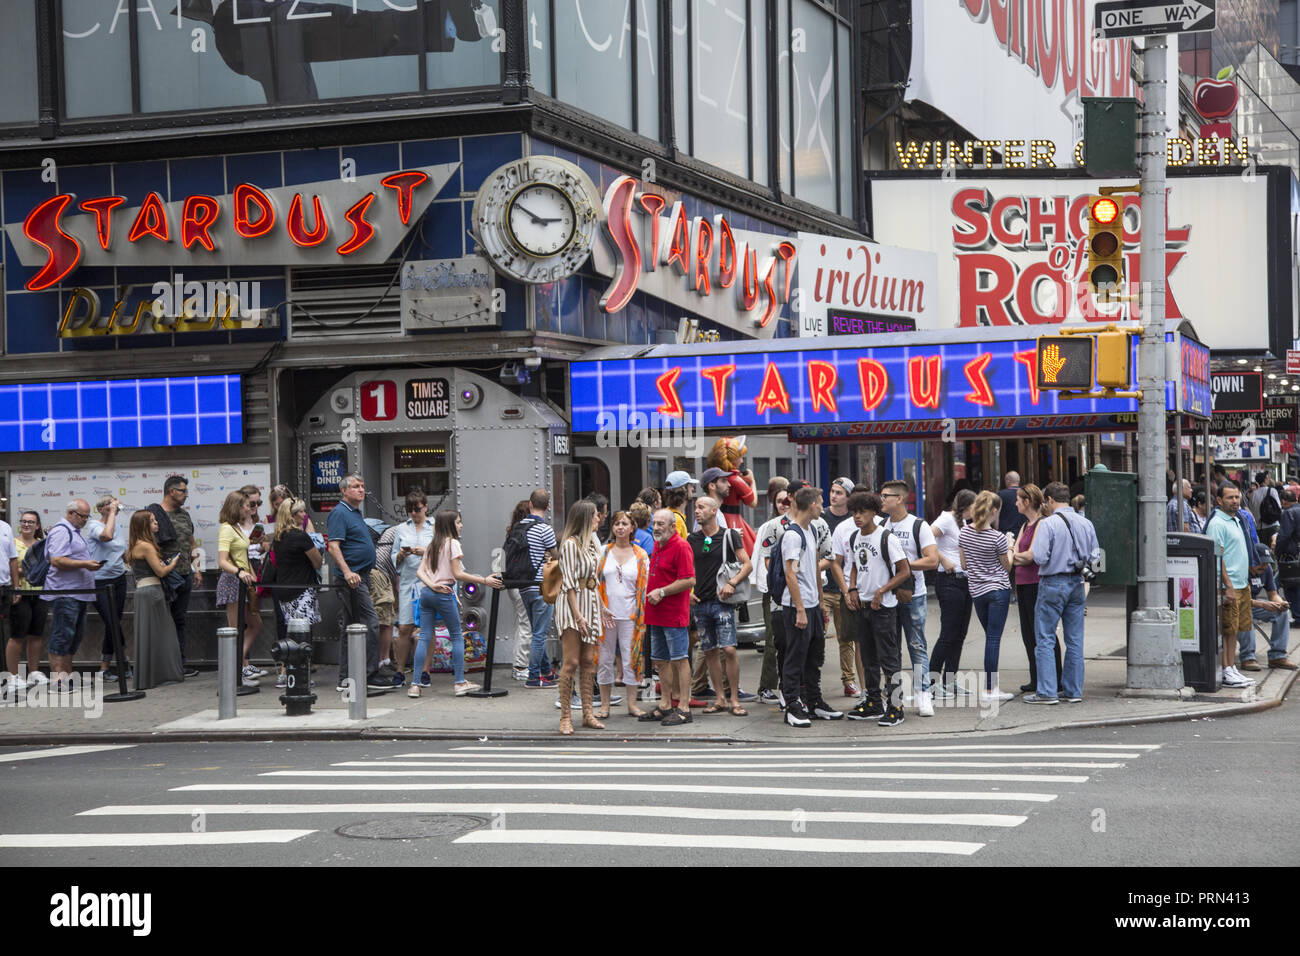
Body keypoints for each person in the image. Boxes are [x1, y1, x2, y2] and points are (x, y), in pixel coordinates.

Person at [408, 509, 502, 699]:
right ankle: (459, 682)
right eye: (458, 522)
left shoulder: (433, 544)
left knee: (424, 636)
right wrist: (484, 580)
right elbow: (457, 574)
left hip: (427, 593)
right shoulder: (453, 544)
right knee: (457, 636)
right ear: (450, 524)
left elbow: (420, 572)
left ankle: (415, 685)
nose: (461, 525)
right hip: (444, 593)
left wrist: (432, 585)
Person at [1025, 482, 1101, 703]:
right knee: (1075, 640)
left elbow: (1039, 557)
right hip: (1077, 583)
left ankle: (1047, 691)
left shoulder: (1048, 525)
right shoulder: (1086, 523)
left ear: (1049, 500)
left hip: (1052, 582)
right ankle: (1073, 691)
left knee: (1045, 638)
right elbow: (1097, 558)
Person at [840, 492, 910, 725]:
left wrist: (882, 591)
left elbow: (904, 571)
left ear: (874, 512)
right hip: (862, 605)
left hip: (884, 607)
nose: (857, 516)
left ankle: (896, 707)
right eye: (854, 512)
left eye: (862, 512)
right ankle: (873, 702)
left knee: (889, 659)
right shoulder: (854, 537)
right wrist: (851, 588)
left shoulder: (886, 538)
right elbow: (853, 566)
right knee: (869, 658)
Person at [779, 485, 842, 727]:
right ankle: (793, 706)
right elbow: (790, 574)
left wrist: (818, 602)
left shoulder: (811, 531)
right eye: (820, 501)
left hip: (813, 604)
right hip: (798, 606)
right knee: (795, 656)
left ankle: (814, 702)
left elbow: (814, 567)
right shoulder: (793, 535)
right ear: (812, 505)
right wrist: (801, 608)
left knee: (815, 656)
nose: (823, 506)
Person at [688, 496, 752, 718]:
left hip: (721, 601)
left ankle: (734, 697)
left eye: (701, 507)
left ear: (714, 511)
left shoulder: (728, 535)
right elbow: (686, 570)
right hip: (700, 602)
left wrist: (732, 583)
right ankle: (720, 698)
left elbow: (747, 564)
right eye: (695, 507)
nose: (697, 511)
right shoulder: (692, 539)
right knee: (709, 651)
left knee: (730, 649)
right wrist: (689, 592)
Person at [880, 479, 938, 716]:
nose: (881, 500)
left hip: (914, 594)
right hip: (888, 595)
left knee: (916, 643)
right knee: (890, 647)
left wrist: (904, 565)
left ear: (899, 499)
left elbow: (932, 559)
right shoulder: (881, 525)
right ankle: (894, 696)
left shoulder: (918, 525)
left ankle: (924, 693)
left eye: (885, 496)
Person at [326, 474, 389, 692]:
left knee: (350, 628)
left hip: (362, 575)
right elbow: (333, 546)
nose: (361, 490)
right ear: (344, 491)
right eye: (355, 487)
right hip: (352, 580)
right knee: (370, 622)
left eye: (362, 486)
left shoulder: (355, 513)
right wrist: (347, 572)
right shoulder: (339, 513)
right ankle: (370, 674)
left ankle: (345, 679)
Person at [639, 509, 696, 727]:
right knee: (660, 660)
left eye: (661, 524)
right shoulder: (657, 545)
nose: (656, 527)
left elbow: (690, 579)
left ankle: (683, 707)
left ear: (673, 526)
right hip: (656, 615)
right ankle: (665, 704)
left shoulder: (681, 546)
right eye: (654, 523)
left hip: (674, 615)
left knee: (679, 659)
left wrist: (662, 592)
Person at [554, 501, 605, 734]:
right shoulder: (570, 545)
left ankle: (587, 713)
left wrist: (602, 608)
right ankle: (565, 716)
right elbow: (569, 584)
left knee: (588, 660)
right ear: (585, 518)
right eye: (595, 515)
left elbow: (593, 581)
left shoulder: (592, 543)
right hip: (573, 605)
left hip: (590, 601)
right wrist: (578, 616)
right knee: (571, 661)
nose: (599, 518)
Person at [959, 491, 1014, 703]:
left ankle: (993, 687)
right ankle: (990, 689)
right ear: (994, 511)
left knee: (990, 638)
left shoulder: (964, 532)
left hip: (977, 592)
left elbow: (964, 564)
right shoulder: (998, 538)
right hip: (998, 590)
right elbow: (1007, 566)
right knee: (993, 639)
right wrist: (1010, 547)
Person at [43, 500, 101, 692]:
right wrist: (85, 564)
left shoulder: (74, 532)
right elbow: (57, 560)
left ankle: (67, 678)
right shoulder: (61, 530)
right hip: (65, 592)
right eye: (82, 516)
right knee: (62, 635)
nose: (85, 520)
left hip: (77, 593)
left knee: (73, 637)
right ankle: (57, 681)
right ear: (71, 513)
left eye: (87, 516)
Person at [596, 511, 649, 718]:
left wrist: (639, 612)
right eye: (616, 523)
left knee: (631, 658)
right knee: (604, 659)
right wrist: (600, 607)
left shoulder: (640, 554)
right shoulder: (603, 551)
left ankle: (632, 704)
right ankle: (604, 705)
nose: (620, 527)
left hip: (631, 616)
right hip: (605, 614)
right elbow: (593, 582)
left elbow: (643, 587)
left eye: (624, 524)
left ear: (632, 528)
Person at [1010, 484, 1061, 694]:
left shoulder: (1041, 524)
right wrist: (1016, 556)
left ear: (1027, 502)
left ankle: (1054, 678)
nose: (1015, 503)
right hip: (1022, 584)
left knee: (1042, 632)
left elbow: (1030, 555)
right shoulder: (1025, 526)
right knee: (1028, 634)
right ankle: (1036, 677)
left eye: (1018, 499)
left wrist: (1015, 556)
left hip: (1036, 584)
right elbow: (1016, 555)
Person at [147, 476, 200, 677]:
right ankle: (162, 665)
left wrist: (198, 568)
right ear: (171, 491)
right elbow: (147, 545)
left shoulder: (185, 516)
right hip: (165, 578)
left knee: (179, 620)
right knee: (163, 621)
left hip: (185, 575)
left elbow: (191, 543)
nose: (186, 495)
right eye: (183, 491)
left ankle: (179, 664)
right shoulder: (153, 515)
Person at [127, 510, 184, 690]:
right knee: (164, 635)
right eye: (152, 521)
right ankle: (164, 674)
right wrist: (174, 563)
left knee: (150, 635)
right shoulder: (147, 546)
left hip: (144, 592)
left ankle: (151, 676)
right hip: (152, 592)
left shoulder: (135, 545)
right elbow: (160, 572)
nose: (157, 524)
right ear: (144, 526)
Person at [270, 498, 323, 688]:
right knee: (303, 635)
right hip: (302, 590)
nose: (304, 515)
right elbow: (317, 562)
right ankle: (301, 674)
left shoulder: (279, 537)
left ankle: (286, 672)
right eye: (300, 512)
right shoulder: (301, 537)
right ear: (291, 515)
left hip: (284, 591)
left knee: (289, 634)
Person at [929, 489, 976, 700]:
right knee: (948, 634)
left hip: (964, 581)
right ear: (966, 506)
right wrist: (942, 559)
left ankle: (950, 679)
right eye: (974, 506)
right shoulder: (946, 519)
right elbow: (927, 537)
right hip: (949, 581)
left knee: (960, 634)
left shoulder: (962, 523)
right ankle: (930, 681)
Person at [215, 490, 263, 686]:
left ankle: (235, 666)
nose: (248, 508)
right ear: (236, 507)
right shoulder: (227, 528)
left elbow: (242, 556)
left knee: (255, 624)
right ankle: (234, 670)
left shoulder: (235, 528)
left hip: (243, 582)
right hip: (232, 582)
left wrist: (251, 575)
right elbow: (222, 561)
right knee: (235, 629)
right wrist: (240, 572)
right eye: (245, 505)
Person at [821, 476, 863, 698]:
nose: (833, 495)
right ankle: (812, 680)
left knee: (847, 638)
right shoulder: (821, 517)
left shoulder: (853, 519)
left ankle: (849, 681)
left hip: (846, 587)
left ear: (848, 497)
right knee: (817, 636)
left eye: (839, 492)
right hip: (824, 587)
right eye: (832, 491)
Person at [754, 485, 793, 704]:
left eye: (787, 501)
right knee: (773, 640)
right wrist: (768, 586)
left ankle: (793, 687)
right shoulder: (768, 527)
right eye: (780, 502)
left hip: (798, 590)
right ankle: (767, 686)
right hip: (774, 592)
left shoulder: (801, 525)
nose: (784, 505)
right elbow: (760, 559)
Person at [516, 489, 558, 689]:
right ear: (547, 507)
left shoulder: (518, 526)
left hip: (523, 586)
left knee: (536, 631)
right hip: (542, 586)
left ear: (531, 505)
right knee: (540, 634)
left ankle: (546, 671)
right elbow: (556, 556)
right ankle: (533, 677)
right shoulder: (545, 529)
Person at [84, 496, 130, 683]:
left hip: (119, 579)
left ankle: (105, 667)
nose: (115, 507)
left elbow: (120, 552)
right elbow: (106, 536)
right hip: (99, 582)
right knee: (112, 622)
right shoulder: (94, 525)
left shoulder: (117, 526)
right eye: (110, 504)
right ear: (102, 508)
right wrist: (111, 513)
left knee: (115, 622)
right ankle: (123, 661)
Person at [391, 489, 434, 677]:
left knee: (427, 628)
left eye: (417, 509)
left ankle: (425, 671)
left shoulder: (435, 527)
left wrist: (425, 552)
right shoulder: (401, 529)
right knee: (404, 627)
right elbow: (393, 556)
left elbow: (444, 552)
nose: (414, 513)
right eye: (410, 510)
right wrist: (400, 555)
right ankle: (400, 671)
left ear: (426, 507)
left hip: (428, 582)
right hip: (408, 582)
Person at [1243, 542, 1299, 672]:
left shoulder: (1266, 569)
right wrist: (1263, 604)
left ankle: (1277, 656)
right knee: (1245, 614)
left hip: (1256, 604)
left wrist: (1280, 603)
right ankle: (1248, 657)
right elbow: (1240, 599)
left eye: (1266, 563)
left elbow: (1272, 593)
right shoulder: (1242, 569)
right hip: (1241, 604)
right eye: (1260, 562)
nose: (1264, 566)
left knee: (1282, 613)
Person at [6, 513, 45, 692]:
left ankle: (34, 672)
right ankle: (13, 676)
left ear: (38, 525)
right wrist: (28, 570)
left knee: (36, 634)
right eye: (23, 521)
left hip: (40, 593)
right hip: (20, 593)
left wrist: (36, 570)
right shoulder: (13, 542)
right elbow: (9, 568)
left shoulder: (41, 544)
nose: (26, 524)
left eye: (31, 522)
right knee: (17, 635)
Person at [503, 500, 535, 682]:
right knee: (526, 624)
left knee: (522, 621)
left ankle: (520, 663)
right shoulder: (528, 533)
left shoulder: (512, 533)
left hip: (512, 583)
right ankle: (521, 665)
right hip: (523, 583)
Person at [1273, 487, 1300, 622]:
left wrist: (1277, 551)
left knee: (1290, 585)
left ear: (1283, 501)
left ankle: (1297, 615)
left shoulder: (1288, 513)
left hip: (1291, 556)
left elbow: (1284, 536)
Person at [663, 472, 697, 539]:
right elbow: (672, 546)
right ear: (684, 489)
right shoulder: (676, 519)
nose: (693, 489)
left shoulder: (668, 513)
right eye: (690, 485)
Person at [998, 471, 1026, 537]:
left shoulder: (1001, 495)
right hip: (1023, 533)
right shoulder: (1026, 494)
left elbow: (996, 514)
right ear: (1018, 481)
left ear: (1008, 481)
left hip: (1005, 533)